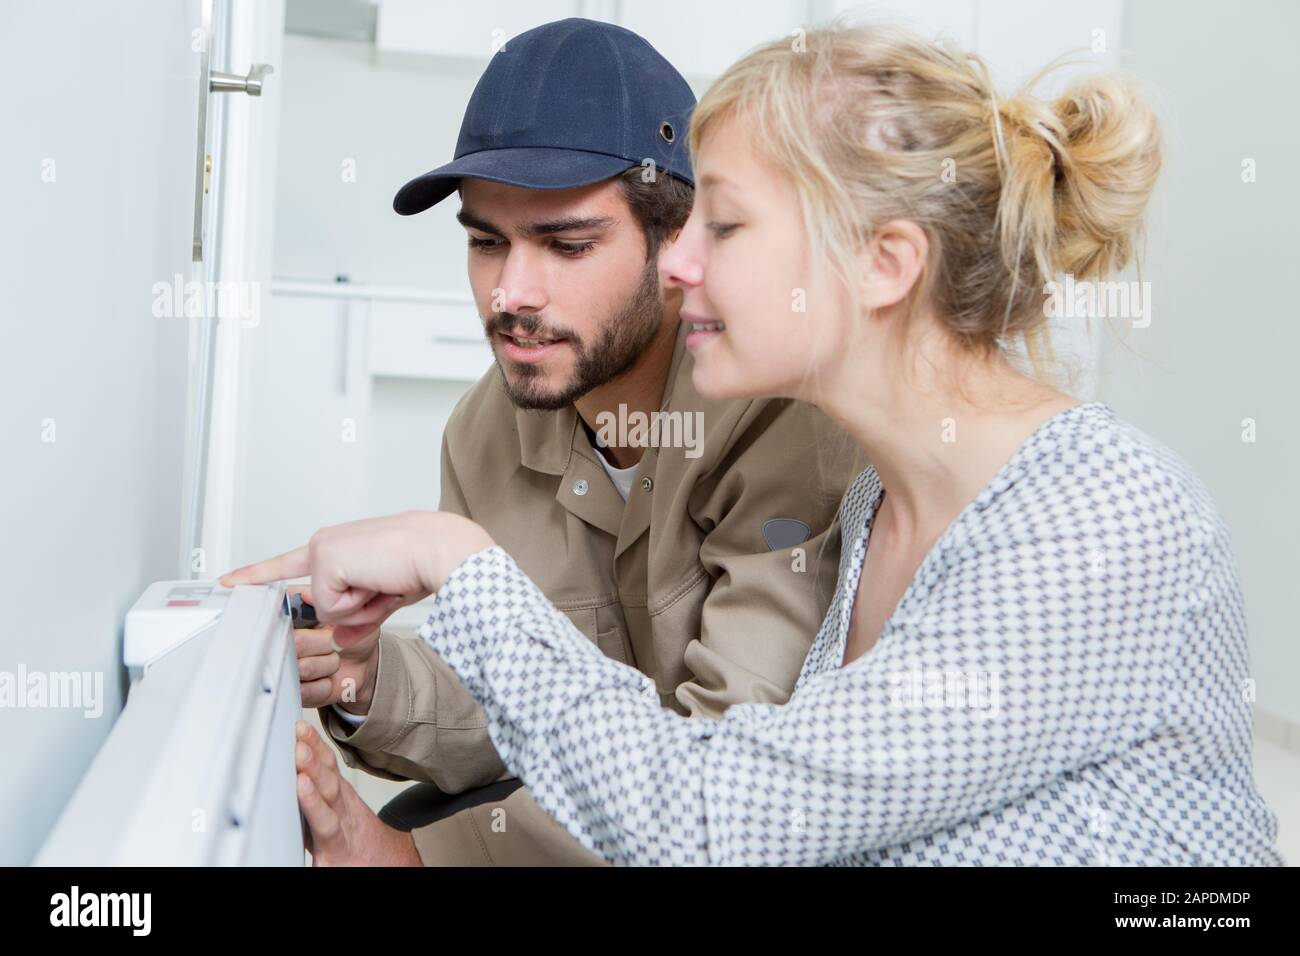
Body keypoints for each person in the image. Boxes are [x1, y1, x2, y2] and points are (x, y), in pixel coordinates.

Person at [225, 23, 1284, 865]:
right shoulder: (881, 503)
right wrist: (377, 678)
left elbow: (712, 824)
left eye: (721, 226)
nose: (679, 262)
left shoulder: (1099, 519)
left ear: (883, 264)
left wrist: (455, 561)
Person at [245, 18, 863, 866]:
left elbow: (719, 791)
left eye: (567, 245)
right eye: (485, 242)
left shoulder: (783, 419)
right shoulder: (485, 429)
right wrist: (365, 681)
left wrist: (423, 859)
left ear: (678, 242)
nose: (511, 294)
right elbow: (514, 703)